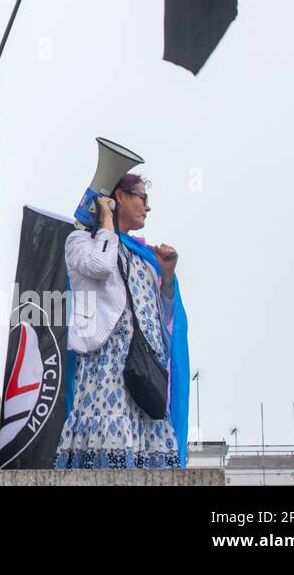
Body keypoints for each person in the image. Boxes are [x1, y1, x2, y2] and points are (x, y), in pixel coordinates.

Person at [54, 174, 187, 468]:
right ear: (120, 198)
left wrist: (167, 277)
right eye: (143, 198)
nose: (147, 207)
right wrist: (105, 219)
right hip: (106, 369)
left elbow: (163, 318)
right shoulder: (81, 242)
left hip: (144, 374)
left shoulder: (144, 255)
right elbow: (101, 266)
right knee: (109, 456)